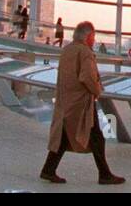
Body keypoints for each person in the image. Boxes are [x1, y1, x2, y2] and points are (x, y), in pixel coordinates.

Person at [39, 21, 124, 185]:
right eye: (93, 36)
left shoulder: (67, 50)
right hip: (81, 103)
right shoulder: (85, 52)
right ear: (88, 36)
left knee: (65, 135)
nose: (94, 40)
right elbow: (87, 77)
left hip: (66, 101)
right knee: (97, 137)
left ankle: (48, 169)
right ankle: (105, 174)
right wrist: (97, 91)